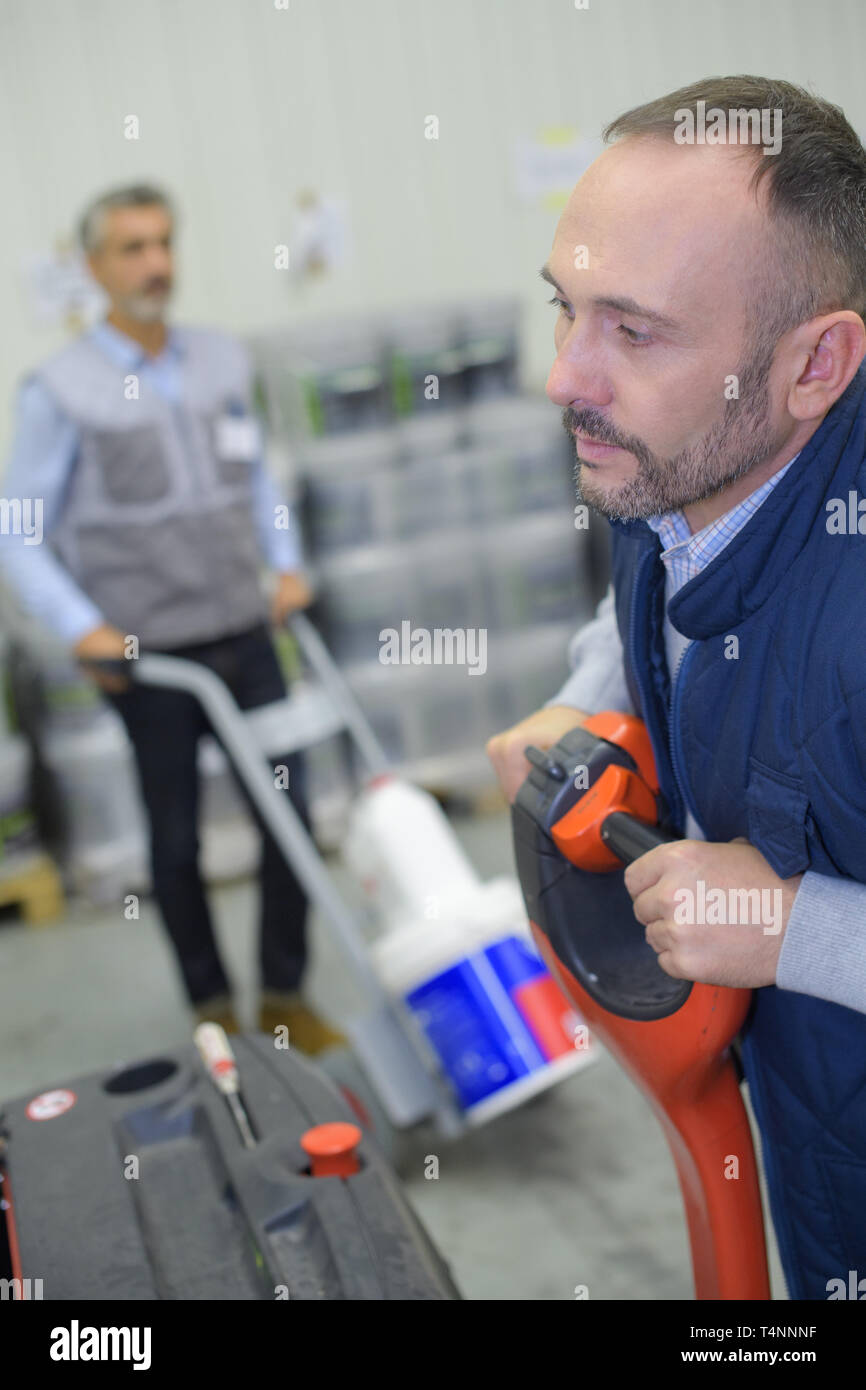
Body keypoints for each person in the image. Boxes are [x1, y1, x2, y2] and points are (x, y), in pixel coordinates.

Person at [487, 76, 866, 1301]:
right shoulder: (676, 455)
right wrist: (583, 694)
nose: (565, 379)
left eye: (632, 330)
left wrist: (792, 930)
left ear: (815, 362)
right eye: (566, 312)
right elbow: (651, 576)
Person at [0, 183, 344, 1053]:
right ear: (92, 268)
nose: (154, 264)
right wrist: (79, 624)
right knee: (178, 836)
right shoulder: (60, 389)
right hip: (146, 658)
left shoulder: (221, 361)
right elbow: (19, 528)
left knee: (289, 817)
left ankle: (282, 992)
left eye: (162, 243)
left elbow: (257, 472)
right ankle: (211, 1009)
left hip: (244, 631)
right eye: (130, 248)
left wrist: (288, 561)